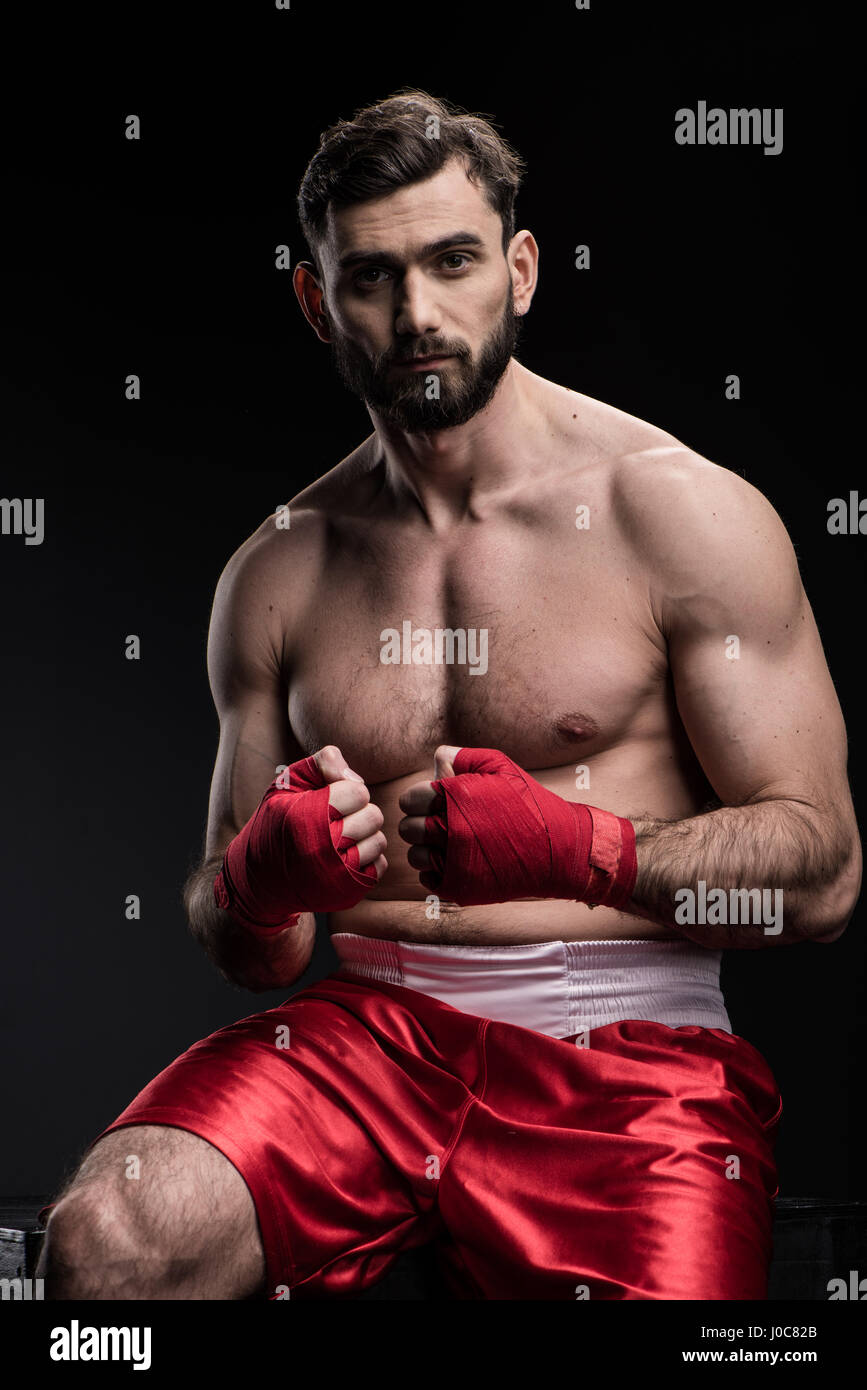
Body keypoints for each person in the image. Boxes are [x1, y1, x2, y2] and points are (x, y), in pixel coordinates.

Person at [38, 90, 860, 1301]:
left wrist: (585, 850)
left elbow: (826, 874)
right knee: (105, 1252)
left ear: (520, 272)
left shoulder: (681, 514)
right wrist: (263, 879)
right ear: (319, 302)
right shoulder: (279, 567)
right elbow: (250, 946)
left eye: (454, 261)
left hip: (626, 1054)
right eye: (371, 277)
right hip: (365, 1045)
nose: (418, 314)